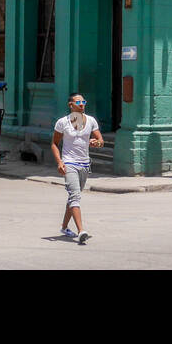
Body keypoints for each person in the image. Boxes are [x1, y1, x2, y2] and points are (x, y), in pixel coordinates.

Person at [52, 92, 102, 244]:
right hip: (70, 164)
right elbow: (54, 144)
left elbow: (101, 140)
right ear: (70, 105)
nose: (81, 104)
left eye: (83, 101)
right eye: (78, 102)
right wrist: (60, 162)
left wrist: (97, 143)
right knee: (75, 197)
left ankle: (64, 227)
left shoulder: (91, 120)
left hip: (85, 164)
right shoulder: (62, 122)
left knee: (74, 197)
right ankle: (81, 231)